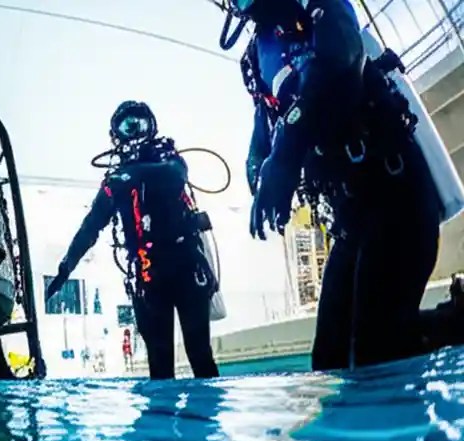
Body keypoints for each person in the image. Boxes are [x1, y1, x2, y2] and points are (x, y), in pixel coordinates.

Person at [222, 0, 464, 370]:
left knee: (377, 351)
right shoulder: (256, 56)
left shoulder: (319, 5)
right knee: (329, 360)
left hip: (396, 194)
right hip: (350, 219)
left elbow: (341, 59)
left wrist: (286, 154)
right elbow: (262, 133)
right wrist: (259, 175)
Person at [46, 101, 220, 380]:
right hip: (148, 276)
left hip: (188, 268)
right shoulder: (115, 182)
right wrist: (66, 266)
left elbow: (177, 175)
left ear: (152, 127)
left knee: (200, 353)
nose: (135, 131)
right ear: (116, 134)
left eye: (140, 124)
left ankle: (208, 420)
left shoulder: (169, 158)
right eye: (127, 126)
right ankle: (164, 420)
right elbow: (91, 226)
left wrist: (135, 173)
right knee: (159, 362)